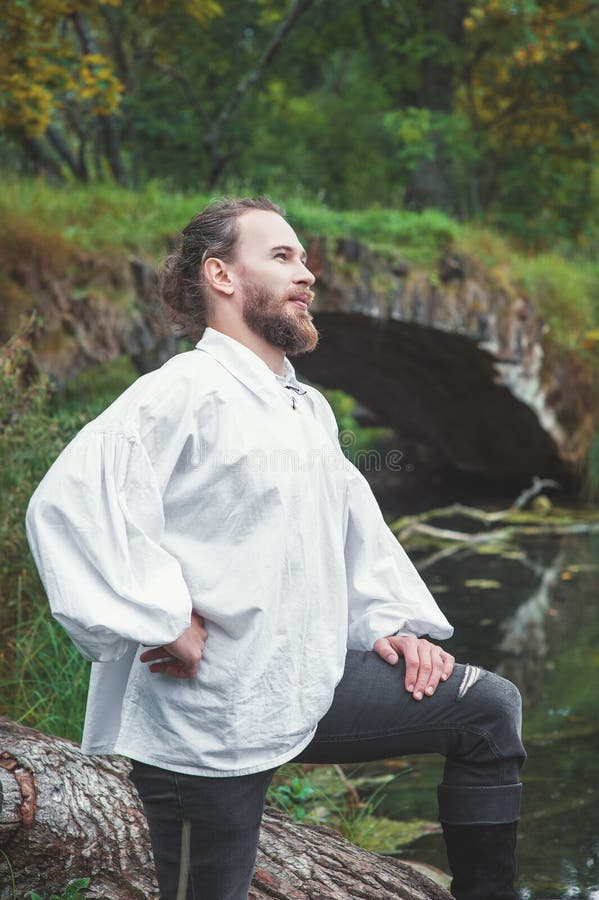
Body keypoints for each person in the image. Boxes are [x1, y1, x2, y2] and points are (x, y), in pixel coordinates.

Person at [26, 197, 525, 900]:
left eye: (304, 258)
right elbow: (71, 503)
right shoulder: (182, 391)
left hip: (304, 680)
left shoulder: (302, 407)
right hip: (204, 721)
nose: (307, 275)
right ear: (222, 276)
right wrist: (162, 617)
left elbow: (348, 530)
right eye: (283, 257)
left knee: (486, 708)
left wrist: (389, 623)